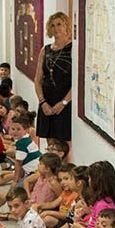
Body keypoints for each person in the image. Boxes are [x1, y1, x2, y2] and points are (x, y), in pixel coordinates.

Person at [34, 11, 73, 144]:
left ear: (66, 25)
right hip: (47, 101)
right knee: (50, 143)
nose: (56, 28)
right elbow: (38, 80)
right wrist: (42, 102)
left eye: (59, 24)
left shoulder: (73, 49)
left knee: (64, 145)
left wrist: (63, 103)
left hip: (65, 102)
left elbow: (77, 84)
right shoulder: (45, 50)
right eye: (53, 25)